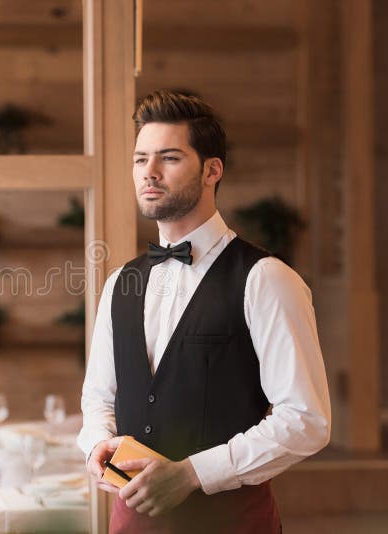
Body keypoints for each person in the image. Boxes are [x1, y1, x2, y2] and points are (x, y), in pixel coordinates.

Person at [77, 90, 331, 533]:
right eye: (140, 160)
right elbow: (99, 397)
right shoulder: (121, 282)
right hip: (132, 523)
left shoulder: (265, 278)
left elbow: (305, 419)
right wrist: (97, 443)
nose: (149, 173)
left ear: (212, 169)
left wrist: (194, 472)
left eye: (169, 158)